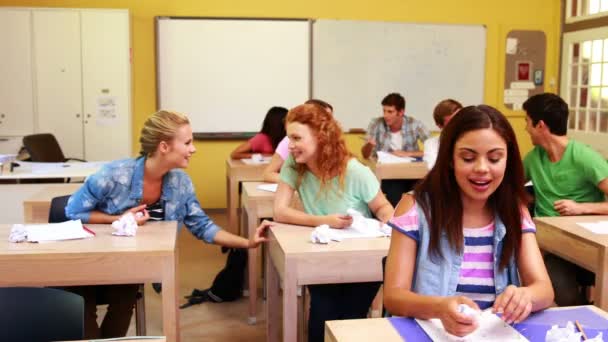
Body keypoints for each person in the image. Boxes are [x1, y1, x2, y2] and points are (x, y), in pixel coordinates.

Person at [65, 110, 272, 339]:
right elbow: (73, 211)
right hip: (86, 261)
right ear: (164, 147)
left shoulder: (180, 183)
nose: (193, 149)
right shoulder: (114, 175)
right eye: (187, 142)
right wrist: (118, 219)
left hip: (126, 265)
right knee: (85, 310)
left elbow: (202, 226)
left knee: (125, 301)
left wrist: (248, 242)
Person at [384, 105, 553, 337]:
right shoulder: (416, 207)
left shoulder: (514, 210)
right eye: (468, 158)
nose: (482, 169)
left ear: (508, 160)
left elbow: (543, 289)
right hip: (429, 333)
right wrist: (439, 308)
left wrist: (526, 296)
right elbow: (393, 296)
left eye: (494, 158)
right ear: (451, 159)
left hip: (494, 334)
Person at [273, 103, 393, 342]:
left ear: (321, 137)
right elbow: (279, 212)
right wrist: (325, 221)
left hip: (361, 260)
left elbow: (382, 207)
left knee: (350, 317)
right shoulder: (294, 165)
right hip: (321, 257)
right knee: (323, 313)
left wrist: (387, 222)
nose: (291, 145)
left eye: (297, 138)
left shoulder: (355, 171)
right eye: (288, 138)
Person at [522, 93, 608, 305]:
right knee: (558, 286)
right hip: (552, 246)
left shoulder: (584, 157)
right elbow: (511, 190)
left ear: (540, 125)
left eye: (527, 121)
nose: (525, 128)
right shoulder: (533, 159)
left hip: (588, 246)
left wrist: (582, 208)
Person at [361, 92, 430, 207]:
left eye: (390, 112)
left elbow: (432, 150)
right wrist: (369, 145)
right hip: (388, 174)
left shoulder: (415, 124)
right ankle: (395, 220)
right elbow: (365, 155)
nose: (385, 115)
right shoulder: (376, 124)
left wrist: (408, 153)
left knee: (423, 191)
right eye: (384, 111)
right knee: (394, 190)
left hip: (411, 173)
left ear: (401, 112)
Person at [262, 99, 333, 183]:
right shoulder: (289, 142)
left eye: (331, 118)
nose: (330, 124)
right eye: (324, 118)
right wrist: (298, 183)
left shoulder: (333, 142)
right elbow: (268, 174)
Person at [423, 99, 463, 169]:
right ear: (440, 125)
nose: (459, 124)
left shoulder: (474, 140)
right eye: (453, 122)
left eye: (461, 119)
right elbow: (433, 170)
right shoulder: (431, 144)